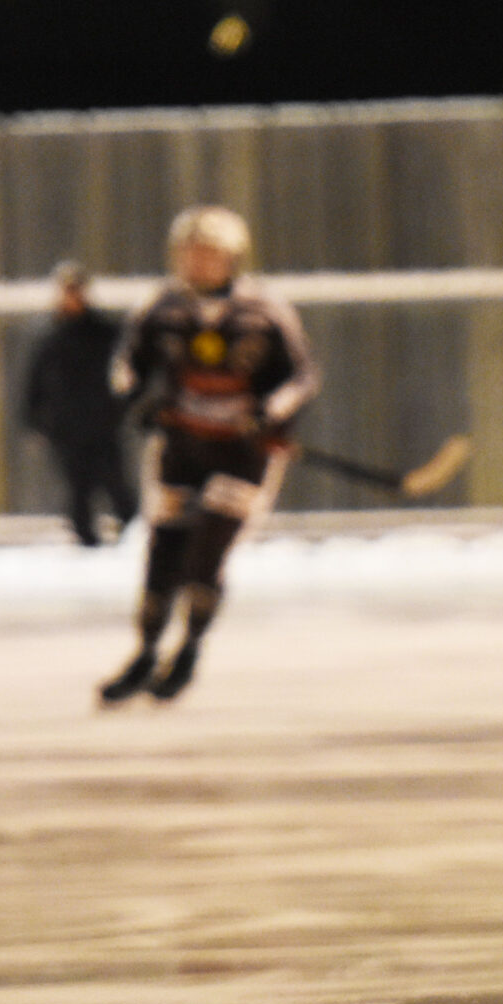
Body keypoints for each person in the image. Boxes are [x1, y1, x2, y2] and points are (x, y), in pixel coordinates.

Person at [97, 206, 317, 704]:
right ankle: (146, 651)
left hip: (243, 453)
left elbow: (302, 377)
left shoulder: (264, 311)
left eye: (210, 253)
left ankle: (190, 648)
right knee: (162, 556)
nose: (198, 262)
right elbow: (127, 365)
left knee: (205, 555)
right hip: (182, 449)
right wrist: (138, 401)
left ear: (231, 258)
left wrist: (270, 412)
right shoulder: (161, 307)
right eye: (189, 252)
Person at [20, 261, 136, 547]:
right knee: (78, 489)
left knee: (116, 484)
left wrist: (123, 408)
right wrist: (34, 420)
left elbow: (127, 373)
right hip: (67, 428)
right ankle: (86, 542)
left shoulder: (105, 333)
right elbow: (35, 382)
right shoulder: (49, 336)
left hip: (103, 422)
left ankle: (131, 537)